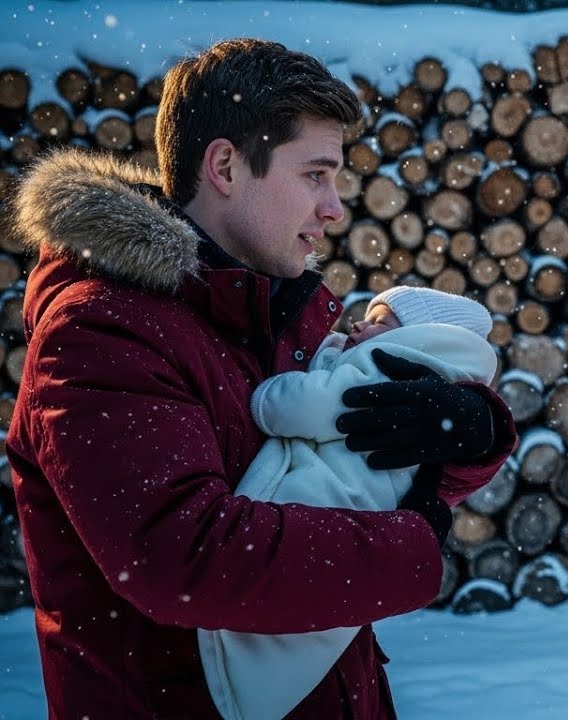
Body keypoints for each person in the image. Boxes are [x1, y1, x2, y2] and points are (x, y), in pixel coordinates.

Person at [6, 38, 515, 717]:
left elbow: (357, 469)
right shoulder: (101, 332)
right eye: (315, 175)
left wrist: (467, 431)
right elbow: (186, 557)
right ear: (225, 165)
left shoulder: (262, 313)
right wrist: (414, 546)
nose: (335, 208)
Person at [199, 286, 499, 720]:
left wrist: (267, 397)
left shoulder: (387, 364)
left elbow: (305, 405)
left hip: (328, 524)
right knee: (297, 641)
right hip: (334, 576)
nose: (359, 324)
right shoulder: (420, 368)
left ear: (417, 334)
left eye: (379, 321)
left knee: (281, 641)